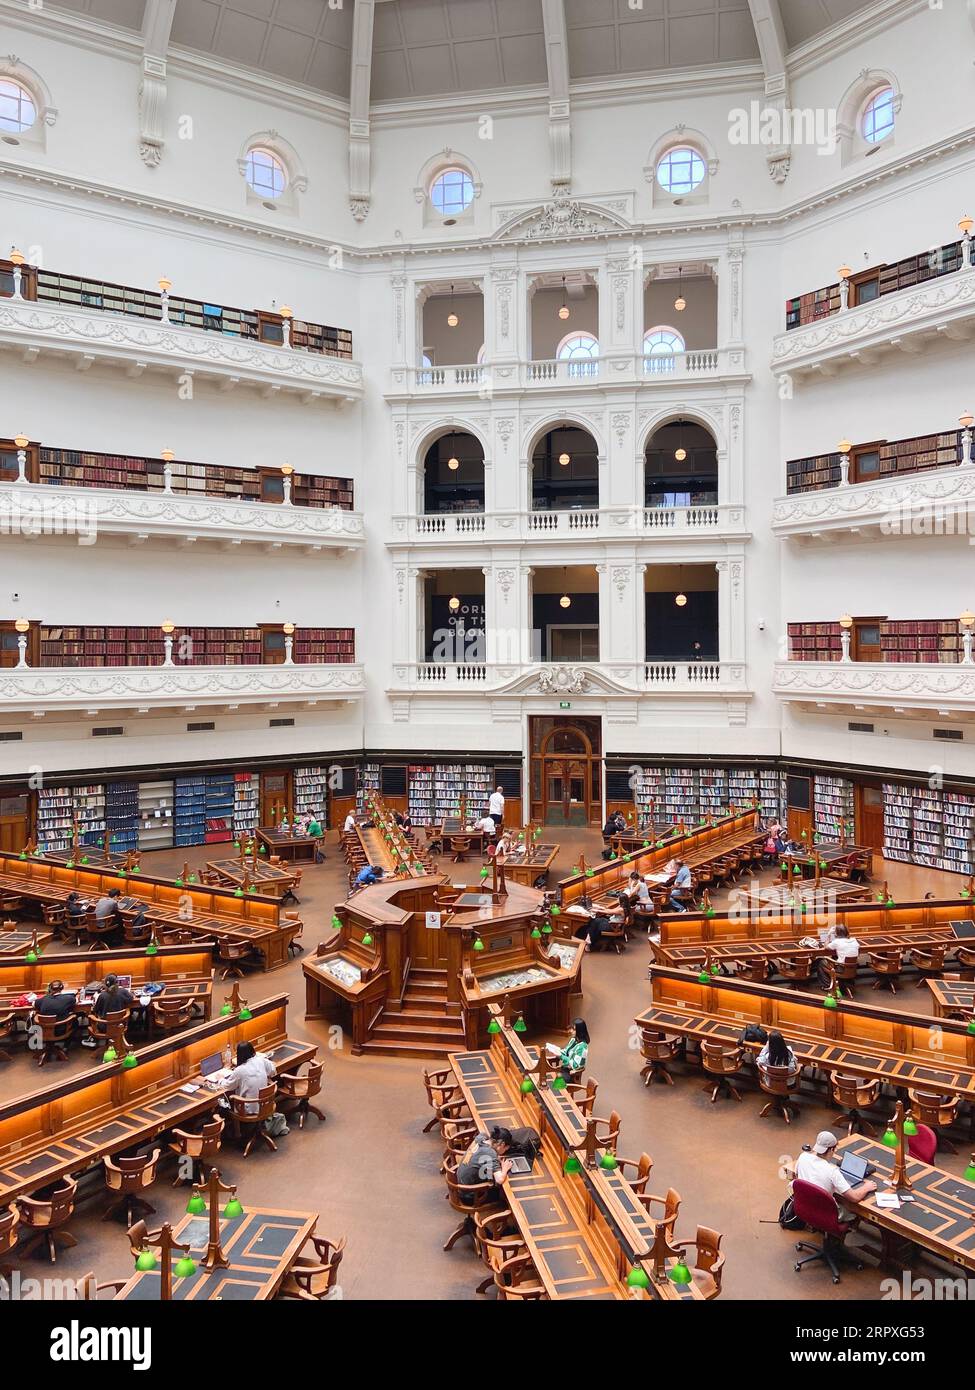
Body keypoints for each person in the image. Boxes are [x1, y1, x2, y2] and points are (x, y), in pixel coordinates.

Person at [794, 1130, 877, 1220]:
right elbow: (854, 1197)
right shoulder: (832, 1171)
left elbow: (796, 1176)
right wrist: (867, 1187)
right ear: (831, 1149)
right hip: (825, 1214)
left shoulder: (803, 1157)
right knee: (854, 1211)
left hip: (805, 1206)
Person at [221, 1040, 277, 1117]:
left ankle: (238, 1128)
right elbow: (272, 1070)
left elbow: (228, 1086)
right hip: (265, 1104)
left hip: (247, 1109)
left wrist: (220, 1079)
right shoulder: (260, 1060)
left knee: (223, 1106)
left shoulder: (240, 1070)